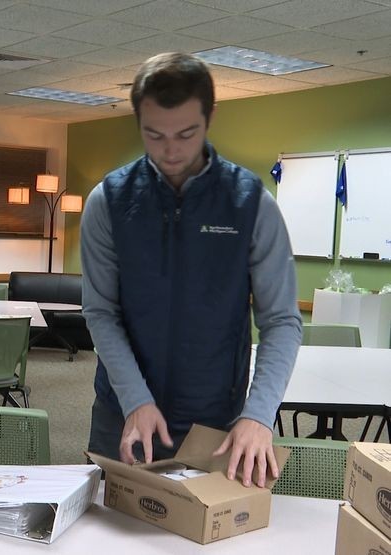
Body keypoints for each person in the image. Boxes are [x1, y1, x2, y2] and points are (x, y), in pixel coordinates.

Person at [81, 52, 302, 488]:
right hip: (123, 415)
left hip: (215, 423)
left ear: (210, 116)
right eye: (154, 134)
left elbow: (281, 321)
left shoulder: (252, 204)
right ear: (137, 120)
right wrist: (135, 400)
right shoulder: (107, 202)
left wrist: (258, 415)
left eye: (186, 133)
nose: (171, 150)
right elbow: (101, 312)